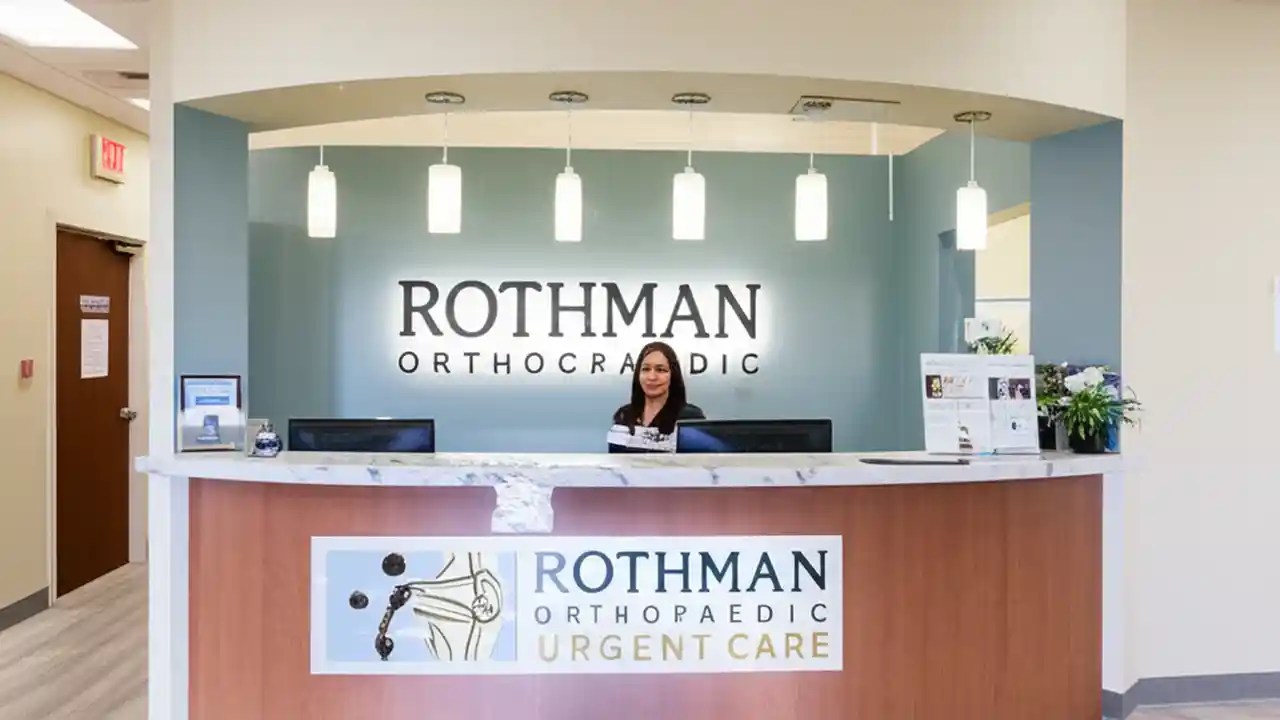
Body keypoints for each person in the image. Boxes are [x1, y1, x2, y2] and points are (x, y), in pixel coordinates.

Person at [607, 341, 705, 453]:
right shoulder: (624, 415)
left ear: (673, 375)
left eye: (660, 370)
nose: (652, 377)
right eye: (645, 369)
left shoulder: (689, 417)